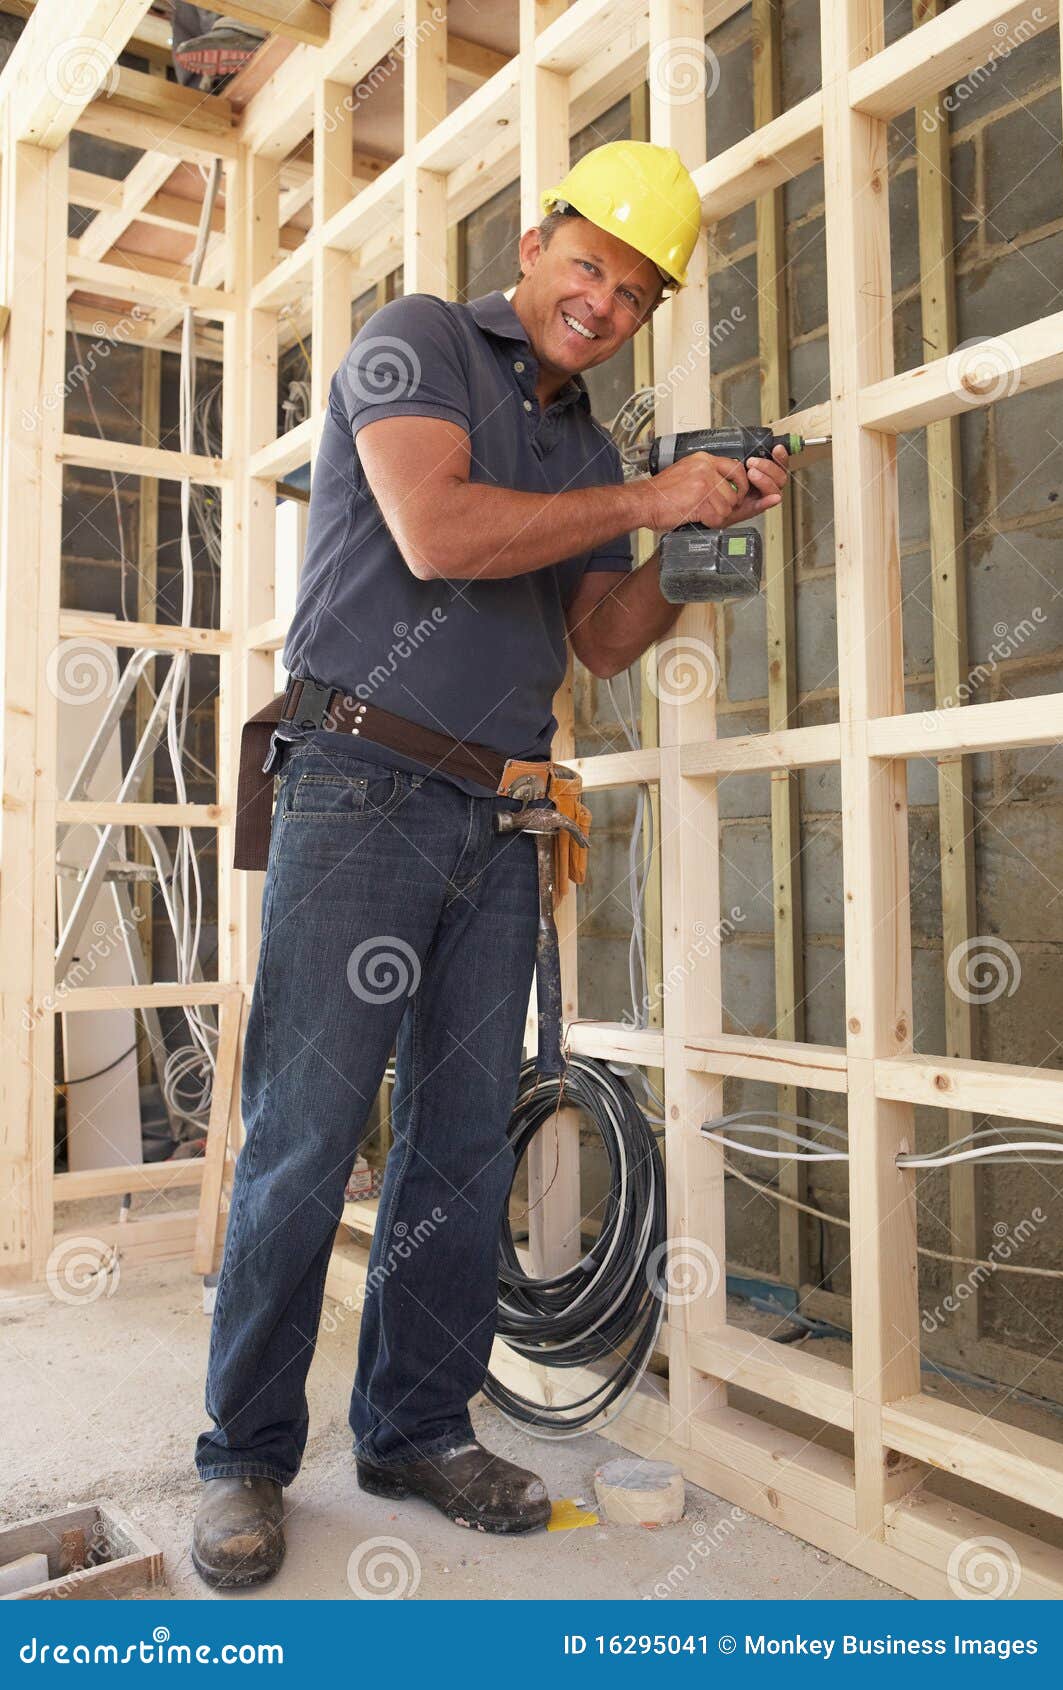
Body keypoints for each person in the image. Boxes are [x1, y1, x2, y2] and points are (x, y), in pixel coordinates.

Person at [191, 140, 790, 1588]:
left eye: (635, 295)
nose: (604, 305)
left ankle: (414, 1429)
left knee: (462, 1144)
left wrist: (694, 532)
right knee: (305, 1135)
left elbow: (599, 641)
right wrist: (648, 502)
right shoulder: (417, 343)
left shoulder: (586, 447)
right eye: (590, 268)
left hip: (503, 812)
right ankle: (244, 1456)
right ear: (534, 244)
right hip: (358, 787)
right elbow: (439, 529)